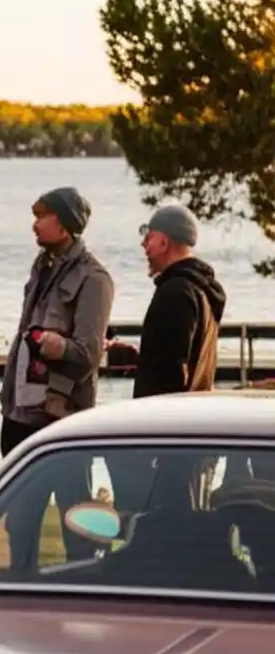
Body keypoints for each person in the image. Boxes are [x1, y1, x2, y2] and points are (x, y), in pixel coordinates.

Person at [0, 186, 114, 572]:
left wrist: (53, 345)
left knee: (73, 514)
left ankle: (81, 588)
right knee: (20, 515)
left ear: (64, 226)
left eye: (43, 216)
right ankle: (19, 586)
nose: (35, 223)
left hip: (59, 416)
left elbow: (88, 355)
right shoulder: (41, 268)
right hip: (17, 413)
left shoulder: (94, 279)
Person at [111, 204, 227, 510]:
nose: (144, 247)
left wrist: (149, 442)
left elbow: (171, 373)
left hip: (169, 439)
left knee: (164, 521)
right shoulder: (201, 291)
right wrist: (142, 357)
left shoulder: (176, 292)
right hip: (194, 428)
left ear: (164, 242)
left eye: (148, 239)